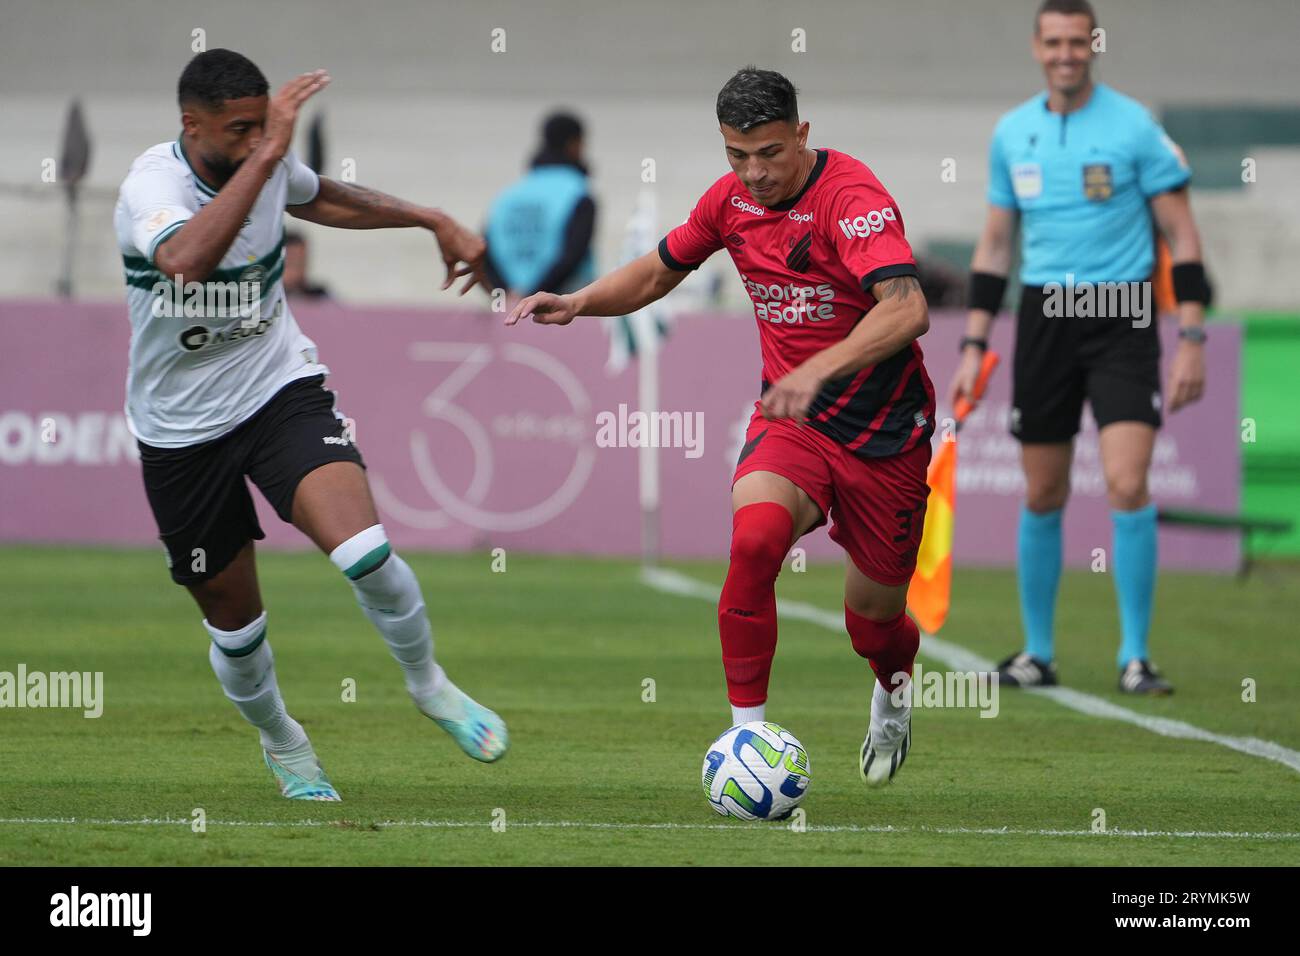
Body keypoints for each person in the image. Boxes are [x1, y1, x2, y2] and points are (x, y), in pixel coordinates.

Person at [508, 68, 934, 787]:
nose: (754, 173)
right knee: (757, 538)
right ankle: (748, 742)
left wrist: (820, 367)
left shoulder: (851, 198)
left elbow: (907, 308)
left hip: (887, 435)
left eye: (769, 152)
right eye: (737, 155)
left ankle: (893, 694)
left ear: (802, 134)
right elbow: (657, 272)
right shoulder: (729, 200)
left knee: (872, 621)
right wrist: (579, 301)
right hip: (793, 423)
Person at [114, 49, 507, 802]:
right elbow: (186, 262)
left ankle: (430, 686)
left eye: (265, 127)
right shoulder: (151, 187)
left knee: (366, 552)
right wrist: (266, 160)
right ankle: (282, 739)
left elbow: (323, 196)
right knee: (236, 625)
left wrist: (432, 216)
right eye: (240, 130)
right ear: (190, 125)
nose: (260, 141)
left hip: (276, 392)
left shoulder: (261, 165)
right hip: (180, 431)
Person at [951, 0, 1209, 695]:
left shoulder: (1134, 128)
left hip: (1122, 316)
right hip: (1044, 318)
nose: (1066, 53)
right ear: (1037, 47)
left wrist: (1191, 335)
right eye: (1053, 41)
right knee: (1043, 490)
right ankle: (1037, 652)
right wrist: (974, 342)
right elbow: (996, 244)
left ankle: (1135, 656)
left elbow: (1182, 239)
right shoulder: (1012, 133)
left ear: (1093, 45)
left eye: (1077, 41)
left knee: (1127, 483)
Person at [485, 111, 596, 298]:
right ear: (574, 144)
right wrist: (536, 295)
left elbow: (483, 251)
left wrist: (510, 294)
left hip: (512, 309)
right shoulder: (578, 194)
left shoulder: (508, 196)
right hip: (566, 310)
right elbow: (572, 256)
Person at [282, 231, 331, 299]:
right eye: (291, 263)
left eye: (300, 263)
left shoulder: (320, 297)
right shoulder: (267, 299)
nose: (296, 271)